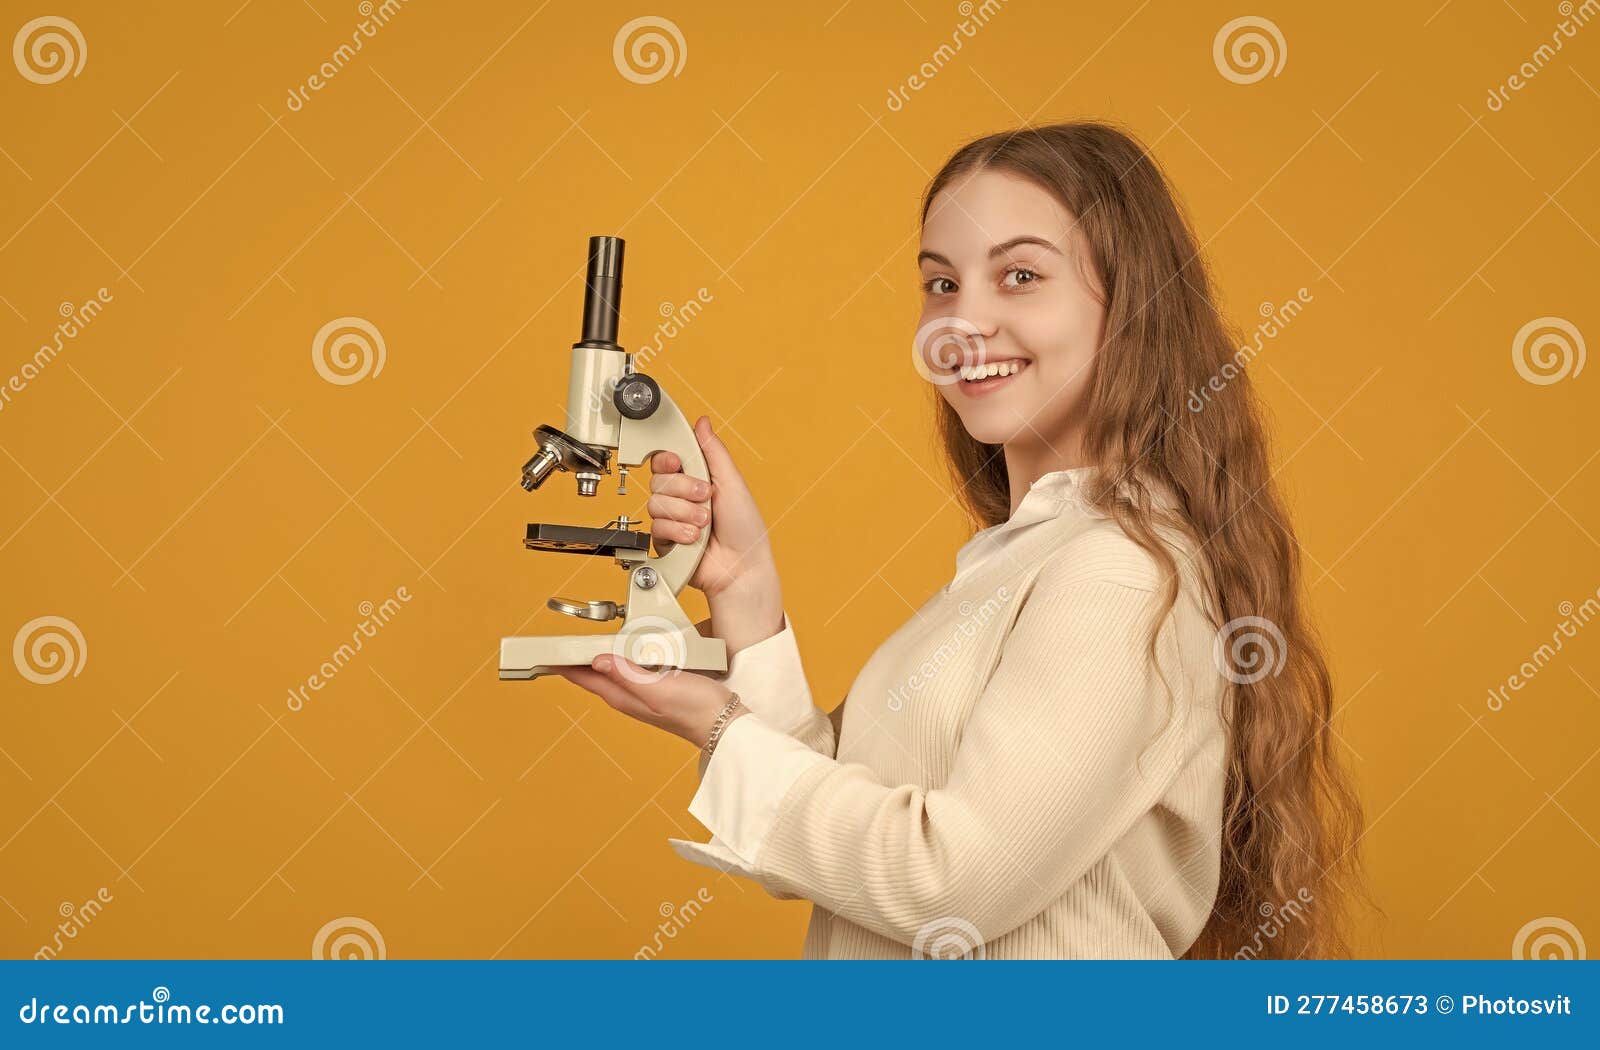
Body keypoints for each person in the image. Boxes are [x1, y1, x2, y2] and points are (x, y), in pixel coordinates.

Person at [557, 121, 1366, 959]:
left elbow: (949, 885)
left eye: (1020, 276)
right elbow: (845, 843)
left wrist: (718, 723)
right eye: (941, 284)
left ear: (1134, 305)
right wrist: (743, 589)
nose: (960, 324)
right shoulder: (1023, 560)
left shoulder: (1117, 572)